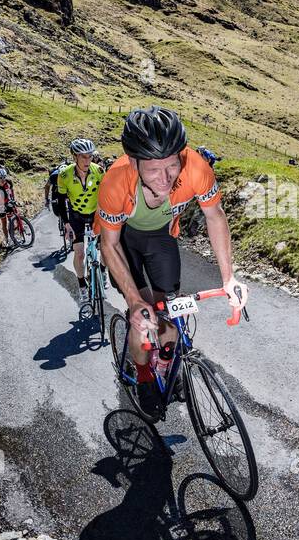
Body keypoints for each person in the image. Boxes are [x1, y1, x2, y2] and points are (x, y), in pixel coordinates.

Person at [96, 106, 247, 415]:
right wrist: (135, 301)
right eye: (153, 170)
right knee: (144, 314)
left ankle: (165, 363)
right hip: (124, 240)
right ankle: (144, 377)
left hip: (160, 237)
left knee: (169, 318)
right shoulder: (115, 181)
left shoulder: (196, 168)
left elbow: (215, 216)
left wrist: (228, 278)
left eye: (172, 166)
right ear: (134, 163)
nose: (165, 178)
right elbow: (108, 245)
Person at [53, 139, 105, 307]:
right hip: (76, 217)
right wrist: (66, 223)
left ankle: (102, 271)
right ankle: (82, 284)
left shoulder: (99, 171)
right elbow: (61, 201)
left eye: (90, 157)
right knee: (80, 253)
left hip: (96, 215)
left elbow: (108, 194)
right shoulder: (65, 175)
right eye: (83, 157)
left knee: (107, 247)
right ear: (75, 157)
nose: (87, 161)